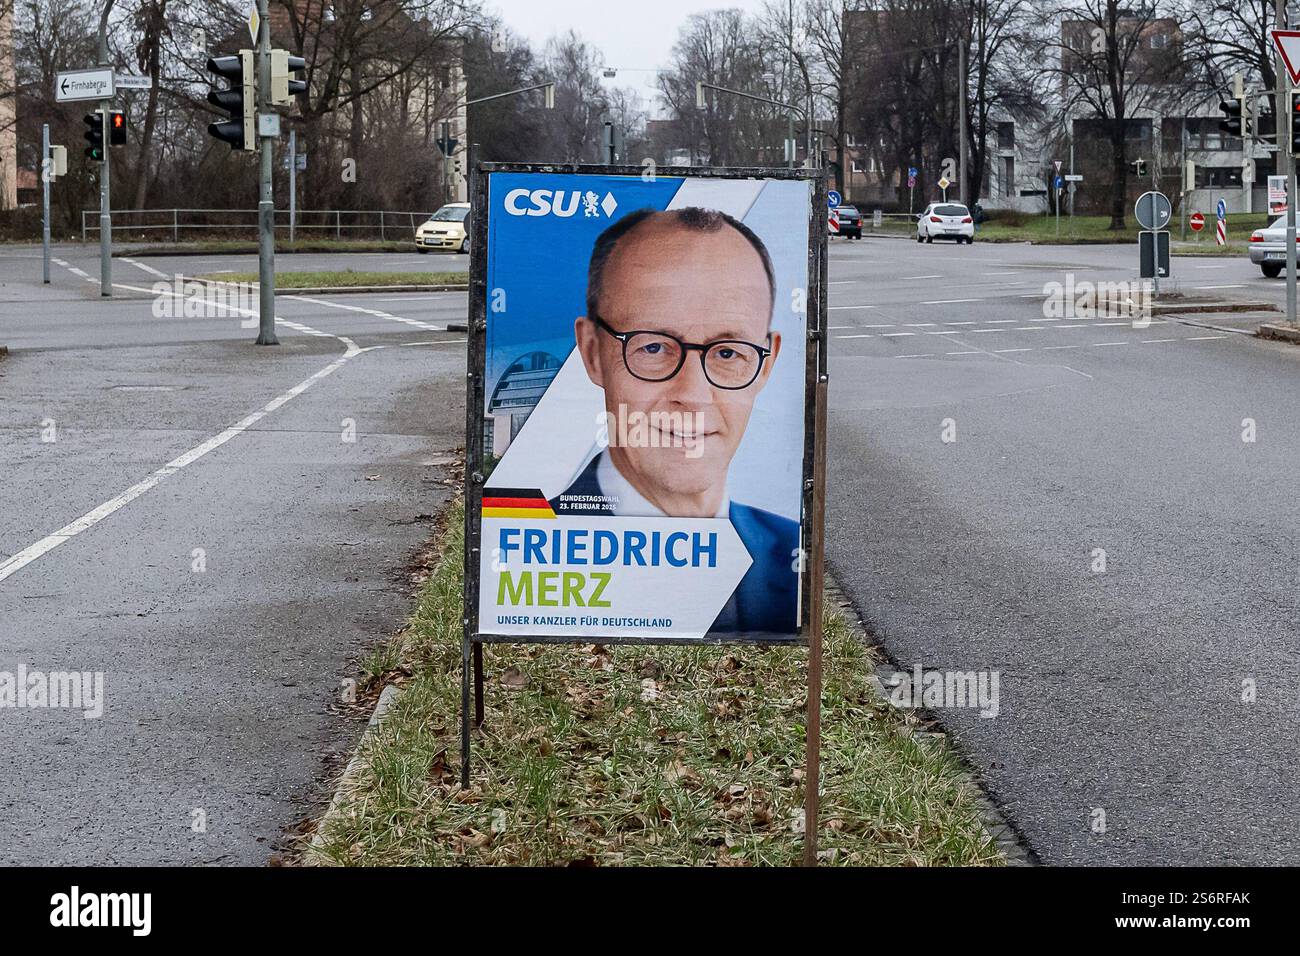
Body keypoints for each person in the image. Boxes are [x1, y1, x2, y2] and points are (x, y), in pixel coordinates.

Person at [551, 206, 800, 635]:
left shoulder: (793, 551)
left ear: (765, 364)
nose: (692, 395)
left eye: (727, 353)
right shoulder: (529, 540)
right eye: (652, 348)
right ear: (592, 352)